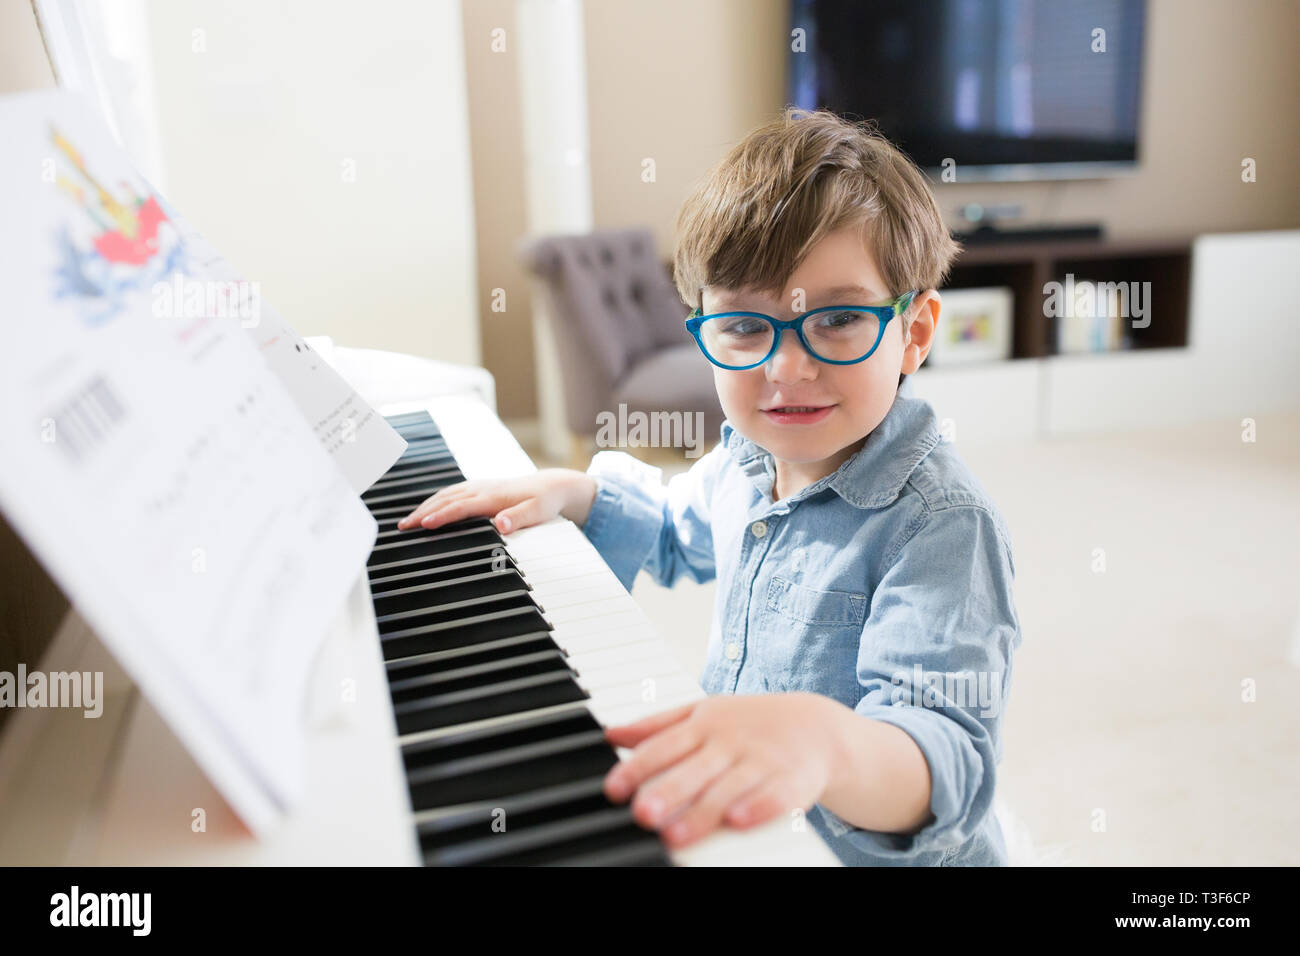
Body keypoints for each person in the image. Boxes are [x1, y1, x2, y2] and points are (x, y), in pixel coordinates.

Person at [398, 108, 1022, 865]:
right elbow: (674, 533)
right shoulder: (745, 459)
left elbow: (944, 762)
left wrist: (825, 742)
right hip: (757, 830)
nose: (786, 367)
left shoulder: (942, 526)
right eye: (744, 328)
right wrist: (579, 493)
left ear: (915, 333)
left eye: (839, 321)